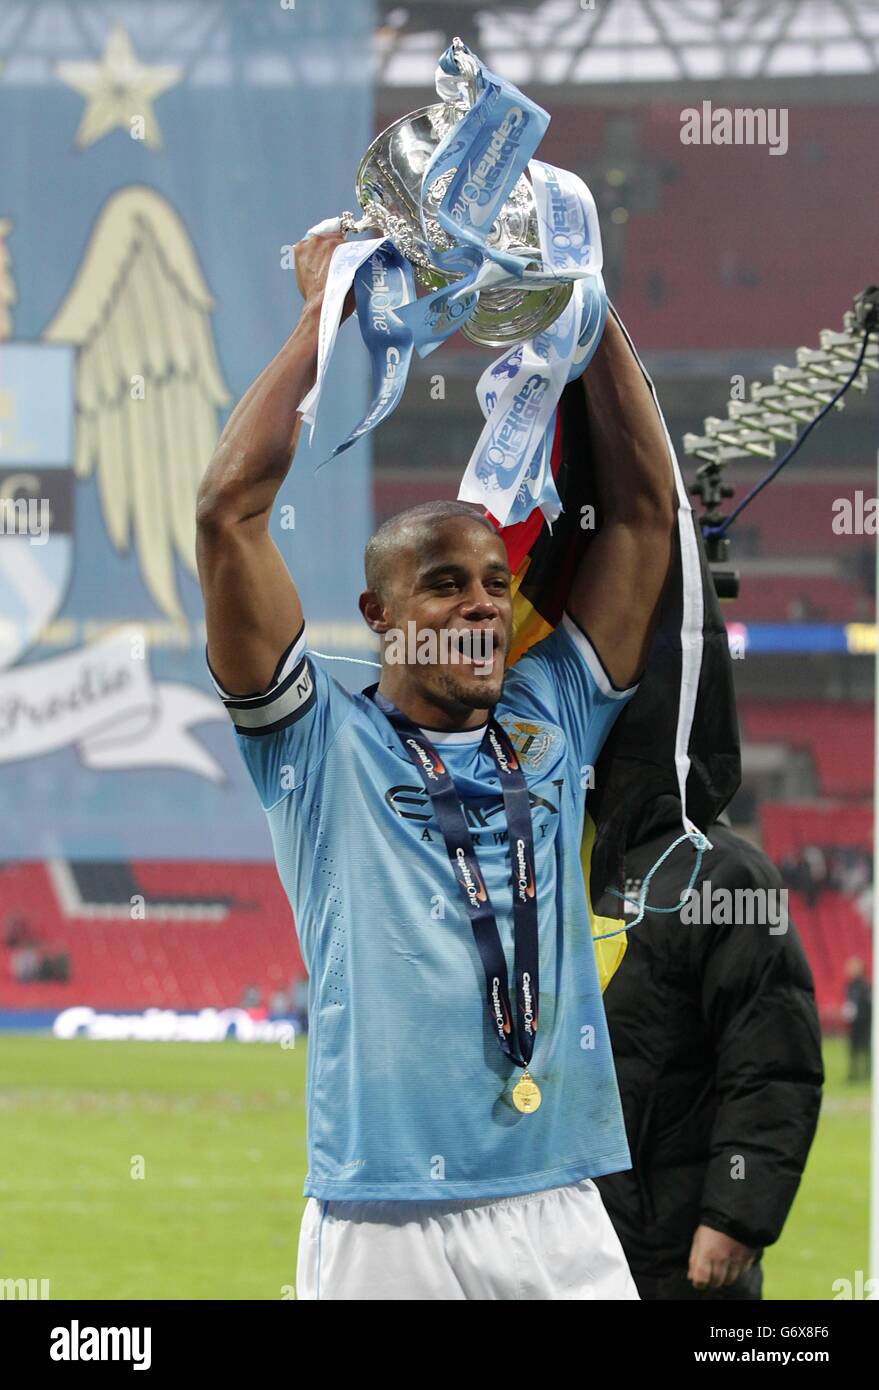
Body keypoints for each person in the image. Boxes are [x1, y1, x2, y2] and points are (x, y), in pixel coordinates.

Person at [195, 228, 676, 1301]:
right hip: (382, 1220)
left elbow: (646, 516)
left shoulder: (552, 719)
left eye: (495, 587)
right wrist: (325, 317)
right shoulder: (316, 745)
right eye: (444, 584)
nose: (480, 606)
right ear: (376, 615)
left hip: (558, 1203)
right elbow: (227, 512)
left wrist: (585, 302)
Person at [594, 799, 824, 1300]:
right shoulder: (558, 857)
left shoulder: (729, 874)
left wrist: (735, 1217)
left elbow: (773, 1063)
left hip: (677, 1245)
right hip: (571, 1230)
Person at [842, 957, 872, 1083]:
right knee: (853, 1050)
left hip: (864, 1023)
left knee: (865, 1049)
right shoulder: (849, 986)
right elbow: (849, 1002)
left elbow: (868, 1005)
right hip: (854, 1024)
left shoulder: (865, 986)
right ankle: (853, 1074)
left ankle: (867, 1073)